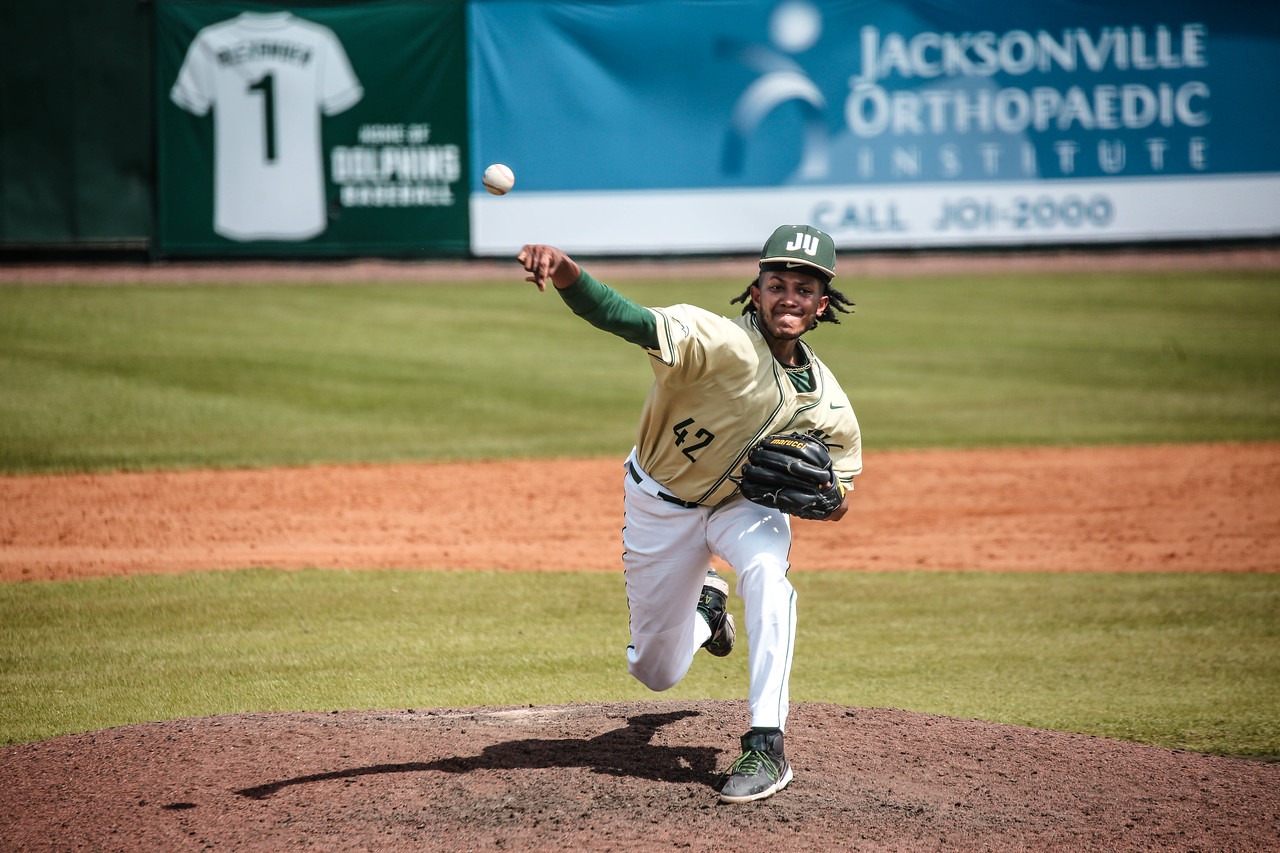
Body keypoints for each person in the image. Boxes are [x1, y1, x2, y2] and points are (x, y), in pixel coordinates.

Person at [517, 224, 862, 804]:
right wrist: (567, 270)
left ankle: (767, 745)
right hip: (659, 504)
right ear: (756, 292)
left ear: (820, 305)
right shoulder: (717, 340)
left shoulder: (828, 400)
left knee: (768, 579)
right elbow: (627, 319)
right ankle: (709, 608)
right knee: (656, 672)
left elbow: (842, 490)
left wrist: (829, 504)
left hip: (741, 507)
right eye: (777, 284)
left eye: (803, 289)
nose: (789, 297)